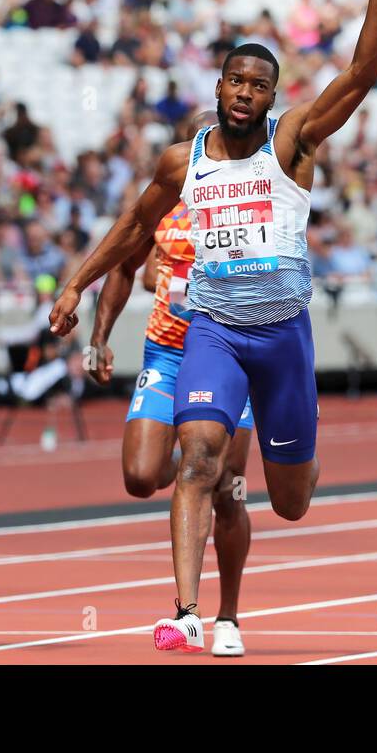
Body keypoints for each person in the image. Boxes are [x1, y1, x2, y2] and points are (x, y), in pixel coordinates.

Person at [49, 0, 377, 652]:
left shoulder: (295, 143)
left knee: (290, 502)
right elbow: (131, 231)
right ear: (217, 88)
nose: (244, 94)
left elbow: (361, 73)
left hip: (282, 337)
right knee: (196, 463)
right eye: (234, 82)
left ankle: (303, 454)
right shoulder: (180, 160)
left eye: (258, 86)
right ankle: (189, 610)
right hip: (212, 333)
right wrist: (75, 285)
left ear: (271, 97)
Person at [87, 196, 255, 657]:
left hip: (232, 357)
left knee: (228, 485)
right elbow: (127, 266)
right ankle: (189, 457)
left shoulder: (250, 204)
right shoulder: (164, 204)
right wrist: (99, 337)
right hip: (169, 354)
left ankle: (227, 616)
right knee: (141, 476)